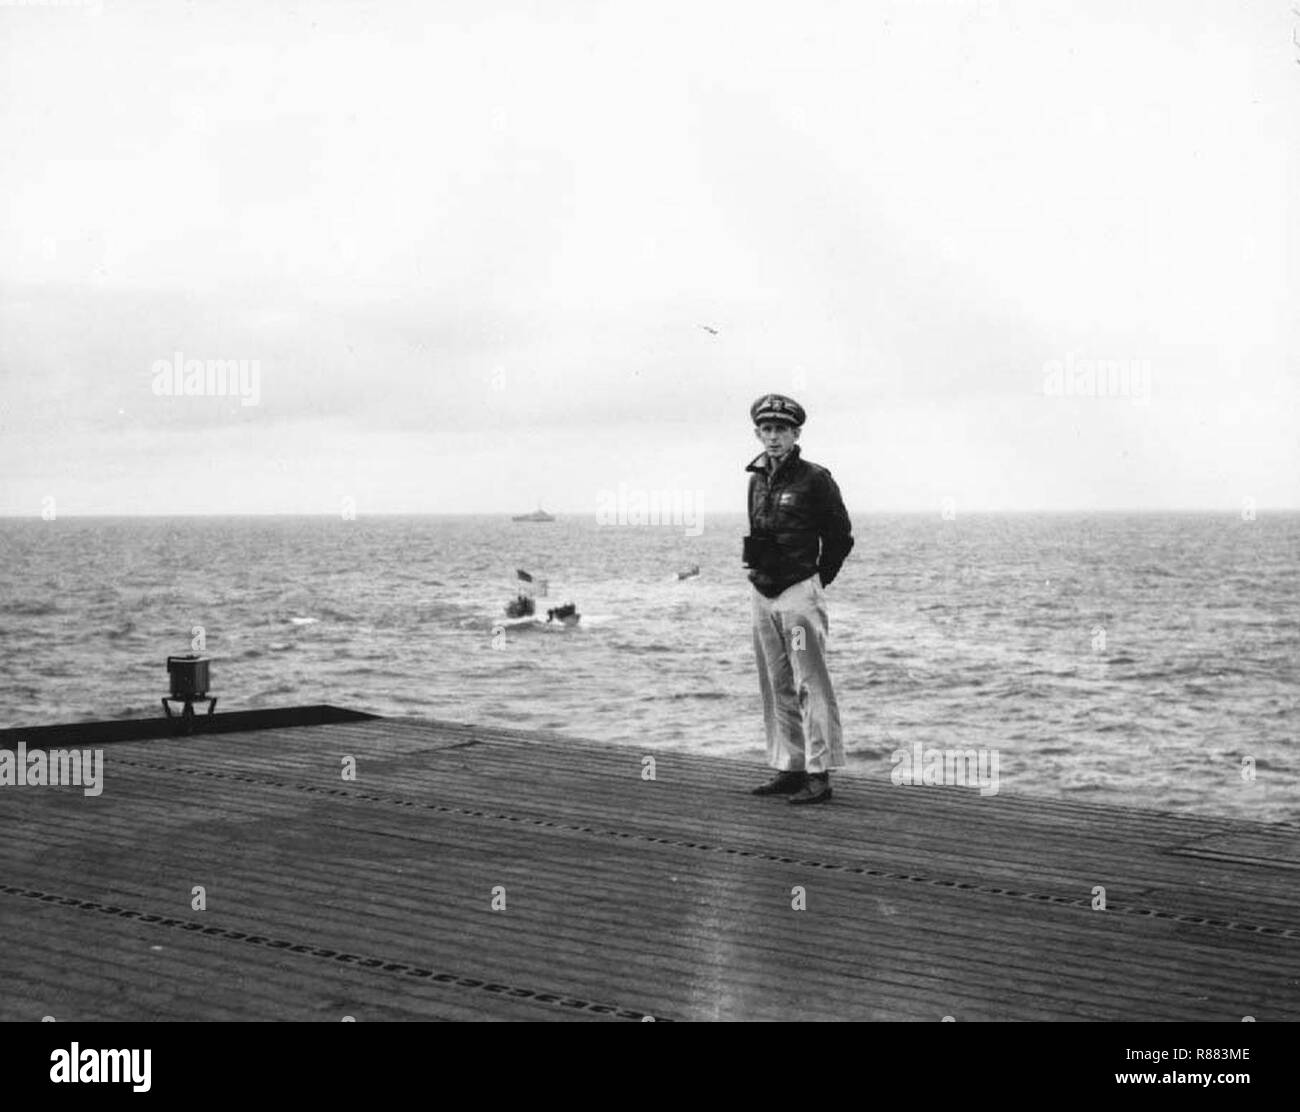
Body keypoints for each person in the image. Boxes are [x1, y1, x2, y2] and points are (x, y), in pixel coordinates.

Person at [744, 393, 854, 805]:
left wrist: (814, 582)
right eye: (767, 430)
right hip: (763, 591)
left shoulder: (815, 479)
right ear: (758, 432)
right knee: (776, 682)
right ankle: (789, 767)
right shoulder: (756, 479)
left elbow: (841, 537)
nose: (773, 438)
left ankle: (819, 774)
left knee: (811, 682)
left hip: (797, 593)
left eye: (781, 430)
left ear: (796, 434)